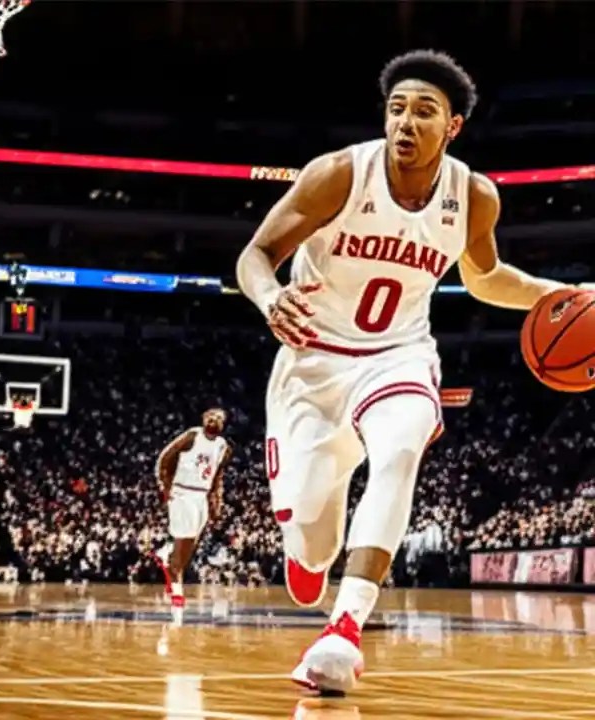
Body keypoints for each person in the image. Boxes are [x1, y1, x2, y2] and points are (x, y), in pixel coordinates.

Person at [235, 49, 586, 693]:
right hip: (313, 363)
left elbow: (486, 280)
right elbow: (255, 255)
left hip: (399, 356)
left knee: (399, 451)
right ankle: (310, 547)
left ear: (452, 126)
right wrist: (268, 296)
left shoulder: (474, 196)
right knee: (313, 545)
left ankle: (343, 630)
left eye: (424, 112)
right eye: (397, 109)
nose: (406, 123)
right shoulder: (338, 174)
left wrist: (561, 293)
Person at [151, 408, 231, 622]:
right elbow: (165, 457)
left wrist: (217, 501)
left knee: (191, 542)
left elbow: (218, 477)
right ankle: (177, 586)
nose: (214, 420)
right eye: (210, 416)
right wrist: (164, 485)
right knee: (183, 540)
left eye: (219, 418)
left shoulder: (223, 446)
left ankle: (168, 556)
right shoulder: (192, 436)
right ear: (204, 419)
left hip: (201, 496)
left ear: (223, 424)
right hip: (182, 491)